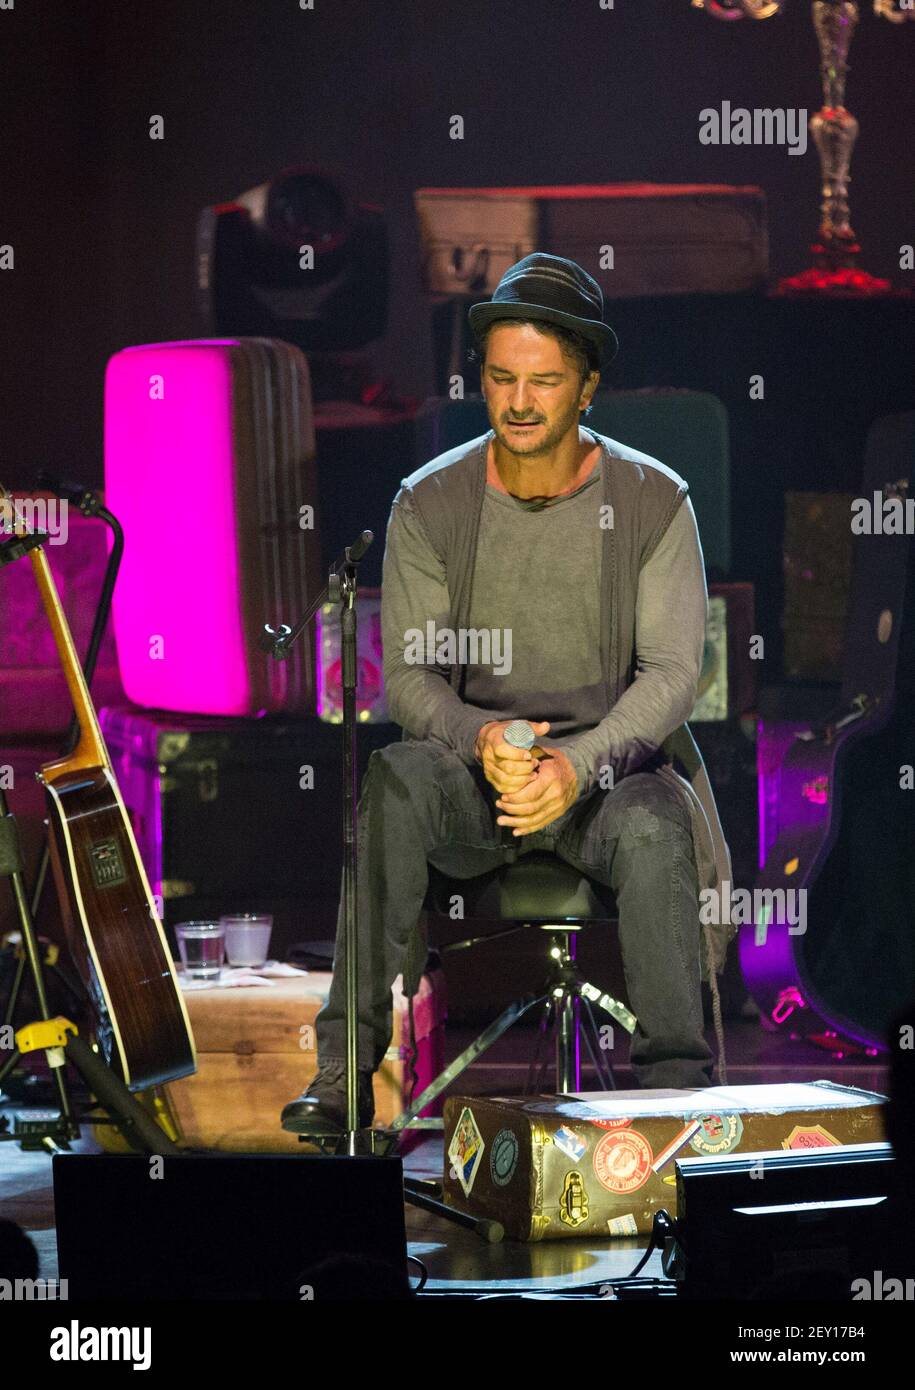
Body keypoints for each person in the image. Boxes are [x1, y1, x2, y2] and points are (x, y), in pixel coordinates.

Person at [282, 253, 733, 1137]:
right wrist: (483, 737)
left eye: (544, 381)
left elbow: (675, 673)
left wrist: (579, 761)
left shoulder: (651, 499)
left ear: (587, 386)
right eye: (500, 379)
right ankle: (342, 1076)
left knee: (654, 817)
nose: (520, 402)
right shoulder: (430, 502)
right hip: (476, 775)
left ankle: (673, 1100)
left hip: (609, 778)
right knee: (395, 780)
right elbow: (408, 675)